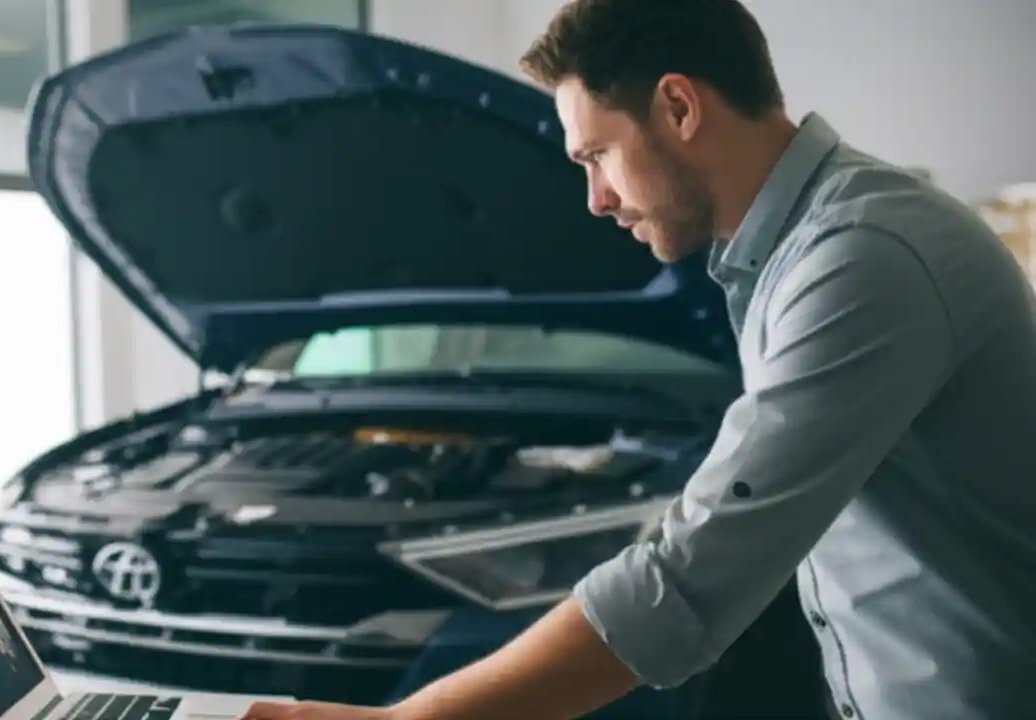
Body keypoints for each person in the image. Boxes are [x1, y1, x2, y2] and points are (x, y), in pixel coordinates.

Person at [240, 0, 1036, 718]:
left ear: (679, 106)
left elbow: (685, 581)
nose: (595, 199)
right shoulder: (791, 253)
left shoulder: (862, 259)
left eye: (596, 156)